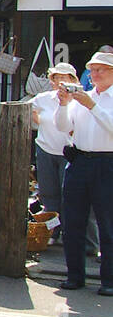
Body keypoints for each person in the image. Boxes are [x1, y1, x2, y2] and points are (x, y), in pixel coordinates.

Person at [54, 51, 113, 295]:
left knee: (107, 224)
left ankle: (109, 281)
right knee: (73, 222)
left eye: (101, 69)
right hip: (79, 161)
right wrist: (64, 105)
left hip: (107, 163)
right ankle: (74, 275)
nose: (95, 74)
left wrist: (93, 106)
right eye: (93, 70)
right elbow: (63, 127)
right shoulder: (84, 97)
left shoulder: (97, 100)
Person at [32, 63, 98, 252]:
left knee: (70, 197)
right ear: (52, 80)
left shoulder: (81, 100)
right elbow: (26, 109)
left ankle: (80, 240)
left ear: (73, 80)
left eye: (65, 77)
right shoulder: (42, 98)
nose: (61, 81)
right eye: (57, 77)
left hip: (70, 152)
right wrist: (38, 122)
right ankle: (52, 234)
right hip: (45, 149)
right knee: (48, 195)